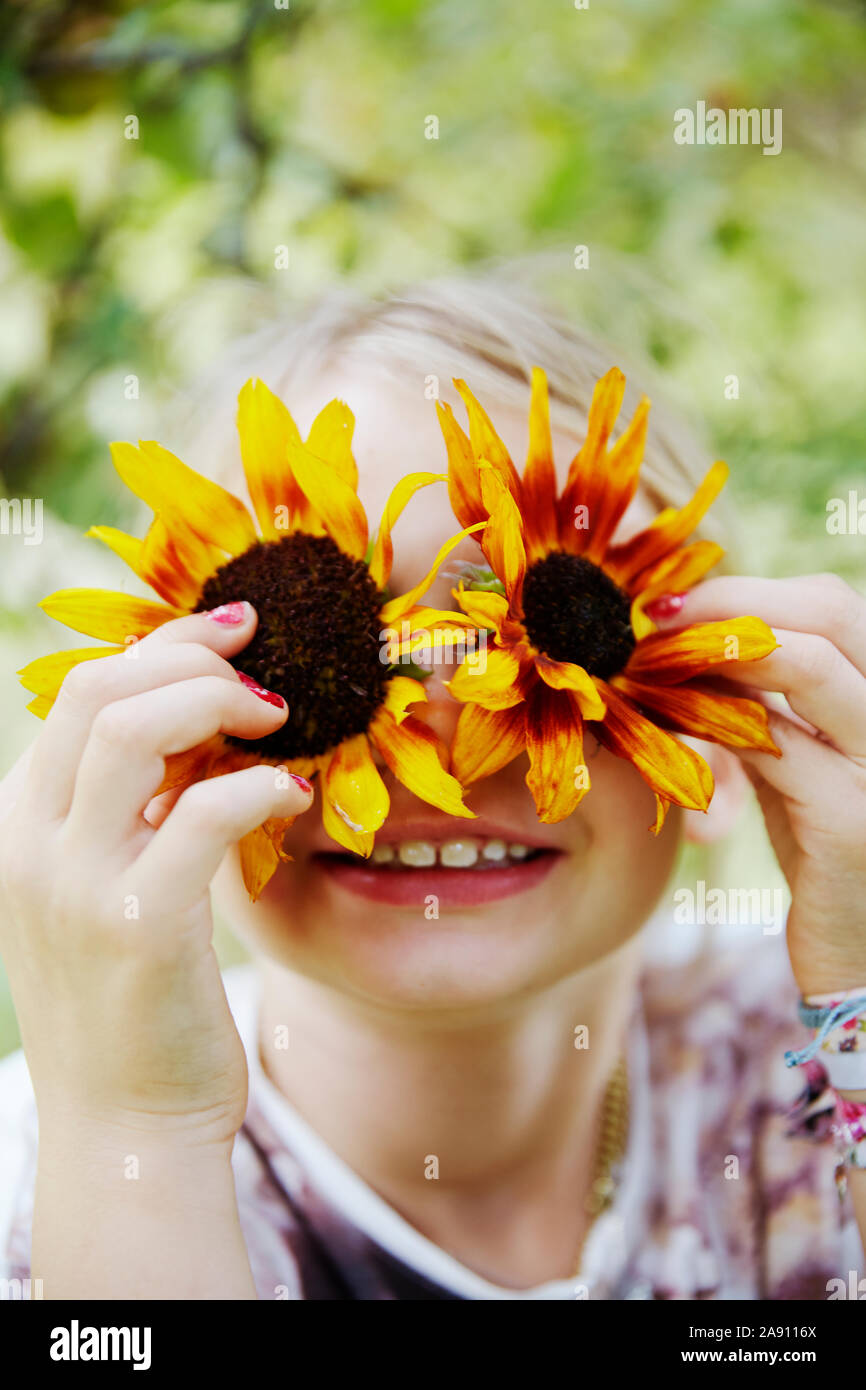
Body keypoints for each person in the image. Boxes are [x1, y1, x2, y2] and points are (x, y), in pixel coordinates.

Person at [1, 273, 864, 1300]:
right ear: (159, 761)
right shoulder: (50, 1182)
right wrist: (133, 1131)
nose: (448, 742)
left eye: (551, 638)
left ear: (719, 719)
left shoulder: (811, 1062)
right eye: (301, 652)